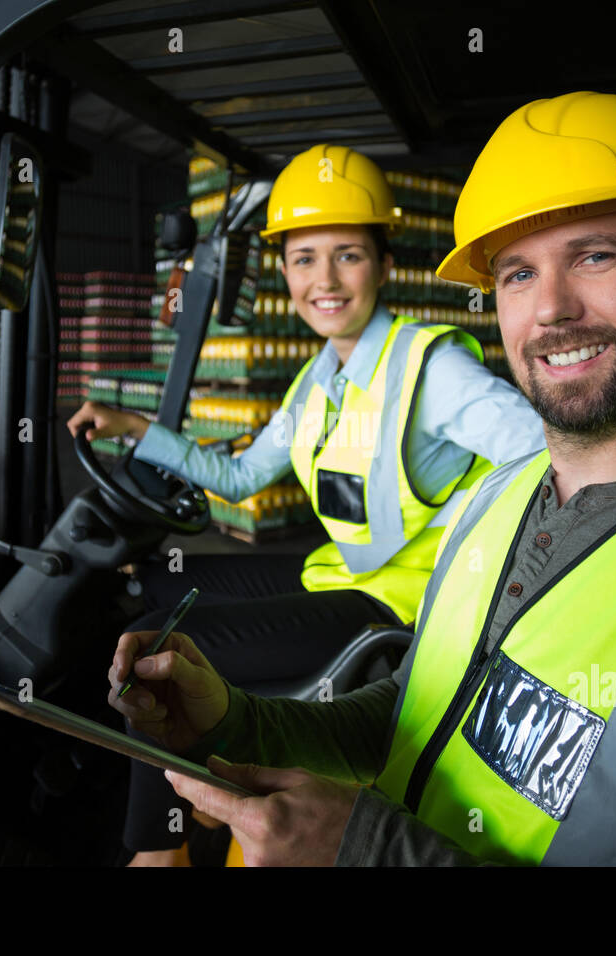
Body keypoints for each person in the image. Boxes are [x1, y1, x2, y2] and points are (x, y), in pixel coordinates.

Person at [105, 92, 616, 866]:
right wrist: (239, 720)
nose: (550, 308)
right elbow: (417, 719)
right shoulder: (497, 504)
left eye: (594, 255)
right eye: (517, 273)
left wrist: (370, 853)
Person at [67, 144, 547, 865]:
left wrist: (469, 551)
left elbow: (548, 456)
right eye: (303, 258)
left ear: (383, 265)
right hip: (343, 573)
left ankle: (158, 852)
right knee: (140, 584)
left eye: (348, 255)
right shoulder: (318, 381)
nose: (324, 279)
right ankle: (180, 789)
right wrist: (139, 431)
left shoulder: (429, 366)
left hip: (405, 608)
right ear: (283, 272)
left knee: (160, 641)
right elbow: (239, 478)